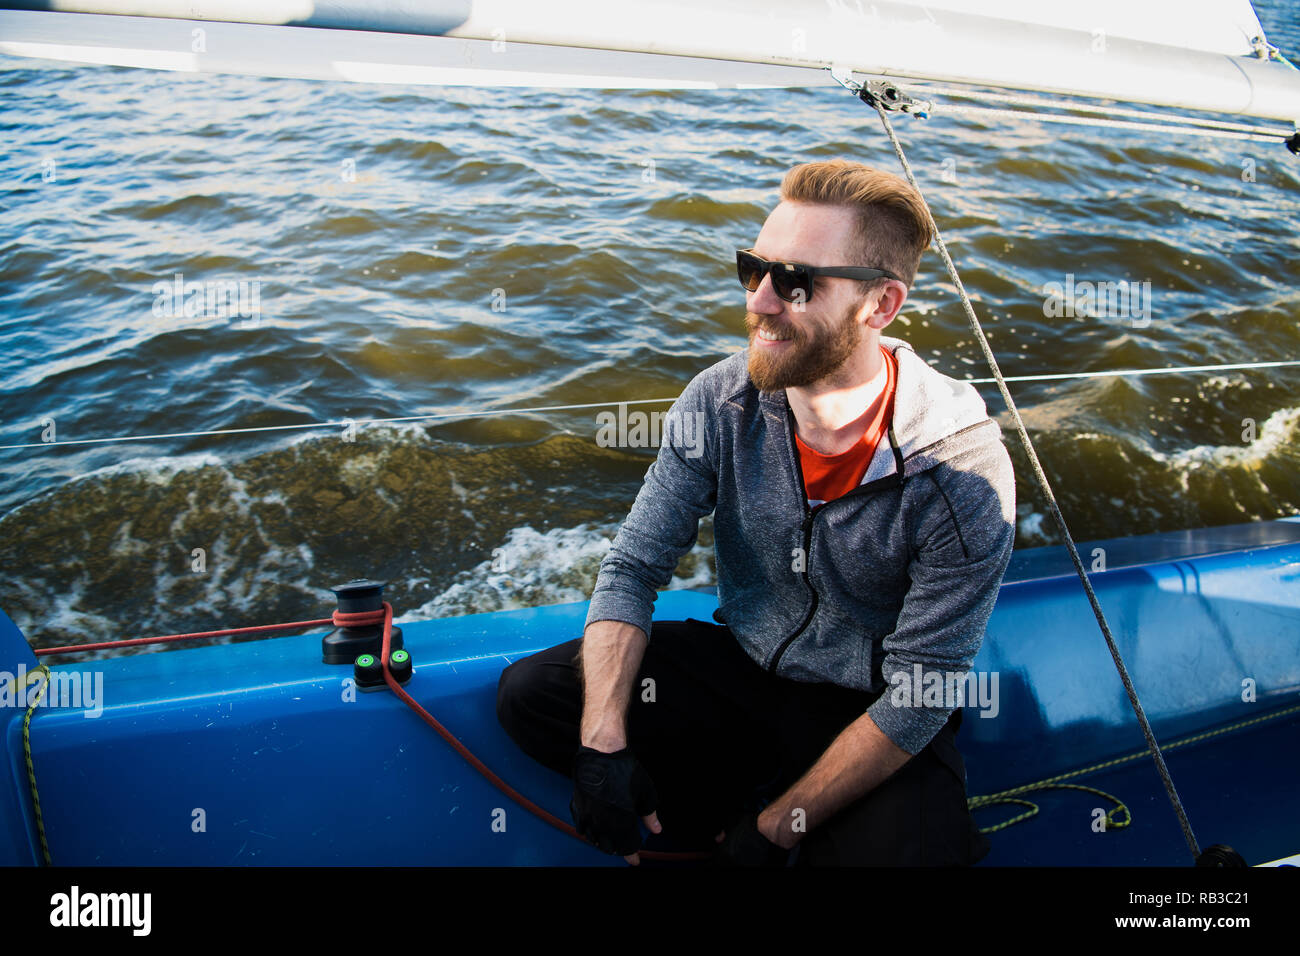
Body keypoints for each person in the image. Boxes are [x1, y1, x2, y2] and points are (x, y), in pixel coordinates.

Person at [496, 159, 1016, 866]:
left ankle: (760, 821)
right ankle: (710, 821)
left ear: (881, 305)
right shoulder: (719, 400)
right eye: (754, 268)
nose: (761, 301)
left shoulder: (960, 473)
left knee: (914, 858)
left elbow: (922, 693)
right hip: (743, 668)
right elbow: (632, 567)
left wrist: (779, 827)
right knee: (535, 695)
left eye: (796, 281)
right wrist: (603, 746)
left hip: (866, 706)